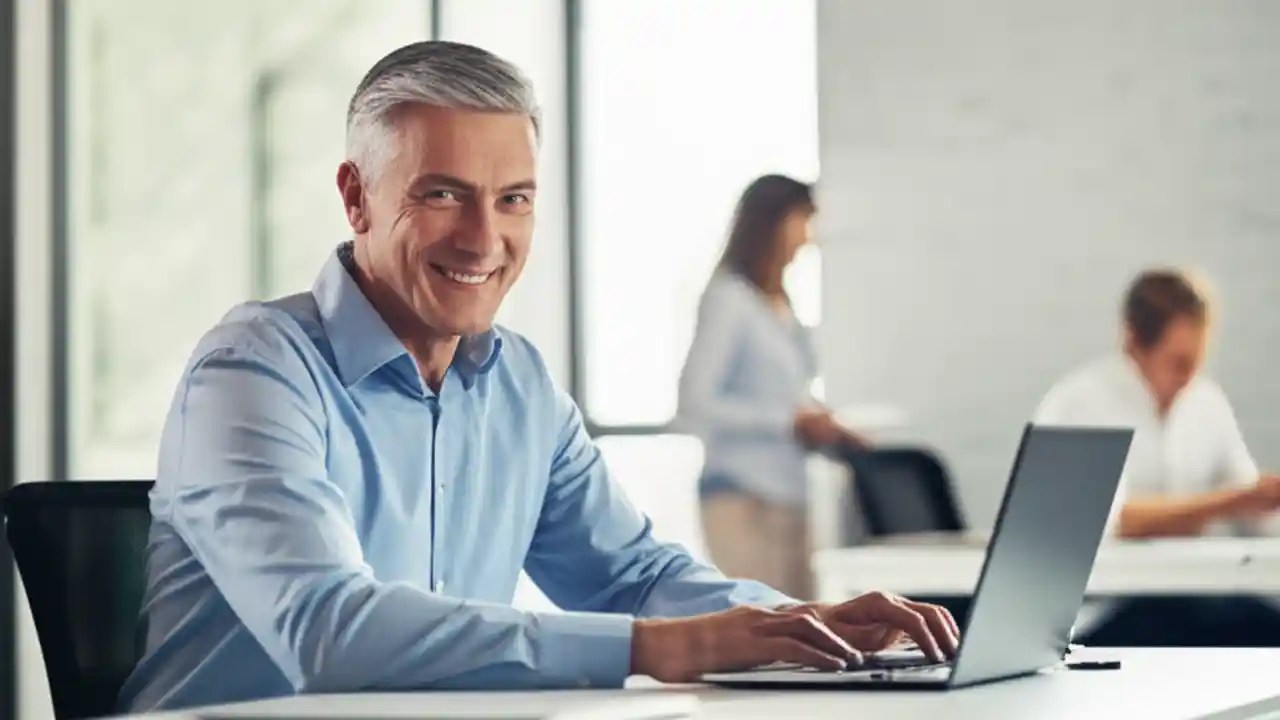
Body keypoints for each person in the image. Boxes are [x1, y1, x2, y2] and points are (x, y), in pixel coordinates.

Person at [118, 42, 957, 712]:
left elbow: (635, 577)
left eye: (513, 199)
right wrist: (669, 647)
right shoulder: (253, 369)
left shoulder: (516, 381)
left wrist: (803, 623)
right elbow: (329, 631)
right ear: (356, 196)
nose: (484, 241)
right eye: (444, 194)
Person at [676, 175, 868, 600]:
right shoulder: (729, 299)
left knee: (805, 631)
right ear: (774, 223)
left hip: (789, 495)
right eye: (803, 221)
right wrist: (789, 422)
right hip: (742, 497)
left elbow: (786, 391)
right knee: (765, 634)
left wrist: (823, 422)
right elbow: (694, 404)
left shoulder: (779, 303)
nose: (809, 237)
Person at [1035, 268, 1280, 539]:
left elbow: (1255, 507)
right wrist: (1231, 503)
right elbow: (1106, 522)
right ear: (1134, 342)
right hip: (1108, 580)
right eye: (1179, 364)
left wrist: (1263, 499)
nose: (1189, 378)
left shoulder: (1207, 400)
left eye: (1198, 362)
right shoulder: (1076, 405)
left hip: (1198, 577)